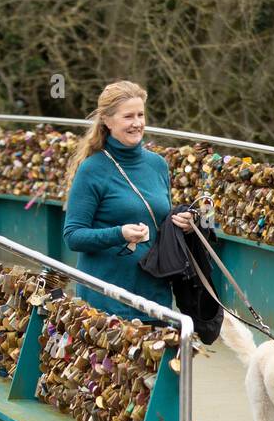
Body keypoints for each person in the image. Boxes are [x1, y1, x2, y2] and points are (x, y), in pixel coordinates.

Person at [62, 80, 195, 323]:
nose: (137, 123)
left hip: (154, 296)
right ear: (107, 120)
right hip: (106, 300)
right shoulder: (92, 169)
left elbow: (159, 221)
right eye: (128, 116)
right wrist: (119, 233)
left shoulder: (158, 164)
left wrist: (182, 224)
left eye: (141, 115)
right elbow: (73, 236)